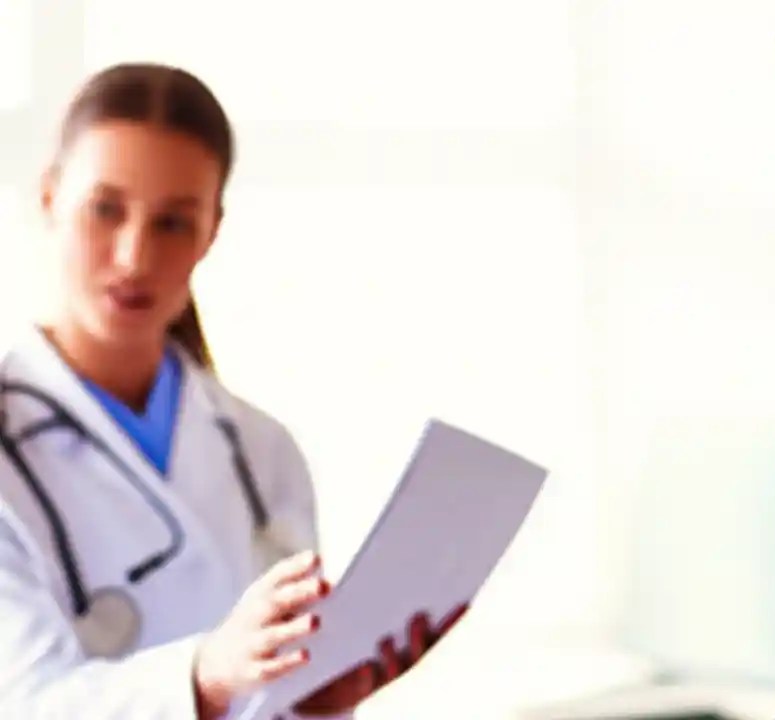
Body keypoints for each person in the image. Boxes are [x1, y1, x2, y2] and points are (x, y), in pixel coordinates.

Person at [0, 63, 466, 718]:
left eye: (172, 223)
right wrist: (207, 676)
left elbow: (271, 698)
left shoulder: (262, 450)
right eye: (105, 210)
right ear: (49, 199)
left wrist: (316, 701)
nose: (135, 256)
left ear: (211, 233)